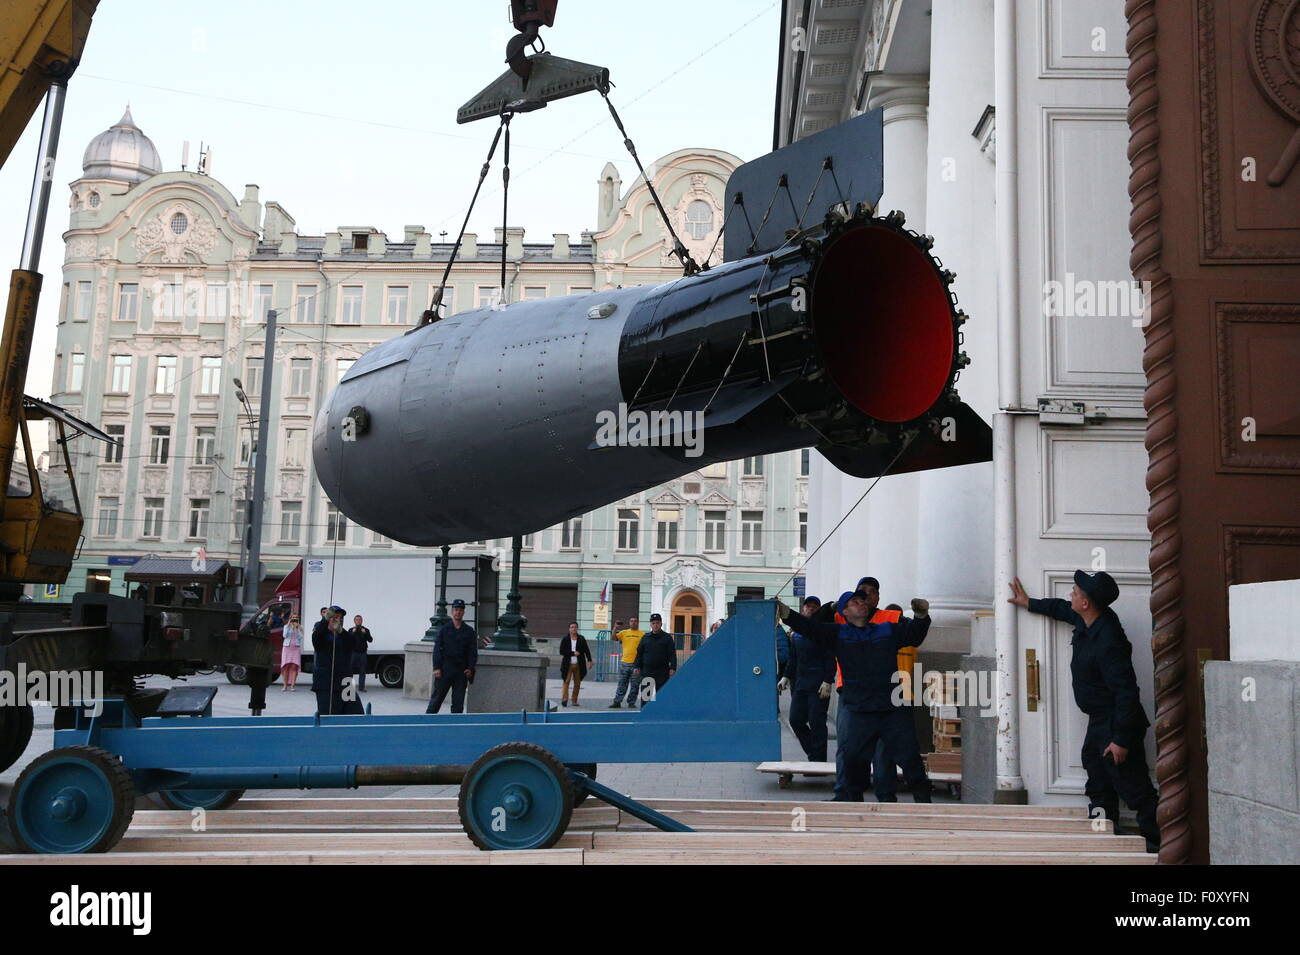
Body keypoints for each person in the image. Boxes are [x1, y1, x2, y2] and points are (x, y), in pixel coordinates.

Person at [1008, 570, 1160, 852]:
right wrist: (1028, 602)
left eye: (1076, 593)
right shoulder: (1089, 619)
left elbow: (1127, 693)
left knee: (1135, 789)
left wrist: (1121, 740)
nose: (1071, 595)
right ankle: (1104, 839)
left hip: (1117, 722)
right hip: (1100, 721)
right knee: (1099, 783)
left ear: (1087, 603)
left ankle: (1161, 848)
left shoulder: (1109, 641)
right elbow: (1062, 609)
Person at [779, 589, 933, 803]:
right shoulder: (837, 633)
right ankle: (854, 808)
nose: (861, 603)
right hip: (859, 711)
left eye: (862, 600)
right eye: (854, 602)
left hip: (892, 710)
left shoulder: (886, 630)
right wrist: (787, 614)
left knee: (910, 760)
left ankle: (925, 808)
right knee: (853, 762)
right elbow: (810, 627)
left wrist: (921, 616)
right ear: (844, 613)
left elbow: (914, 636)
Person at [779, 596, 836, 761]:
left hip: (819, 685)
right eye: (807, 606)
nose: (810, 608)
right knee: (796, 720)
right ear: (802, 609)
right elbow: (793, 658)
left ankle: (818, 761)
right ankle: (814, 754)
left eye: (814, 606)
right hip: (801, 684)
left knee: (817, 722)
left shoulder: (824, 630)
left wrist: (828, 680)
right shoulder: (796, 633)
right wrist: (786, 676)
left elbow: (830, 657)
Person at [426, 598, 477, 714]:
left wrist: (470, 668)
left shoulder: (469, 631)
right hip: (445, 670)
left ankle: (456, 727)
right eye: (456, 609)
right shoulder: (444, 630)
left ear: (463, 612)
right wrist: (437, 668)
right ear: (452, 611)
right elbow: (437, 649)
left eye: (460, 610)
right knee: (436, 700)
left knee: (458, 704)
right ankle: (427, 724)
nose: (458, 612)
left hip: (461, 672)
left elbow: (472, 652)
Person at [312, 606, 360, 715]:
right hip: (326, 684)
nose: (340, 619)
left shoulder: (345, 636)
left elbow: (353, 643)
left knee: (356, 714)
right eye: (336, 617)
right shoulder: (321, 636)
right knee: (329, 718)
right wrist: (324, 620)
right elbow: (316, 637)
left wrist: (340, 631)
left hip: (346, 683)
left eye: (341, 617)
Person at [632, 612, 677, 702]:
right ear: (650, 624)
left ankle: (661, 715)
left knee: (662, 697)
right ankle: (645, 715)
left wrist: (673, 668)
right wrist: (636, 666)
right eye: (653, 623)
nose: (655, 625)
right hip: (648, 671)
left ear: (661, 624)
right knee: (646, 697)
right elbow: (639, 653)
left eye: (657, 623)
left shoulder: (667, 638)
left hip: (662, 672)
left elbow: (672, 654)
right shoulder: (645, 637)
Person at [608, 616, 644, 709]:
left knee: (635, 685)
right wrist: (615, 628)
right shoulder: (624, 633)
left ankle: (631, 702)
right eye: (631, 621)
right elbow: (613, 638)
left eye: (635, 621)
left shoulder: (642, 635)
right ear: (629, 622)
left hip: (636, 664)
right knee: (622, 683)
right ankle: (617, 702)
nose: (633, 623)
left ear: (638, 622)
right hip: (625, 663)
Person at [559, 622, 593, 707]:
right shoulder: (565, 639)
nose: (573, 629)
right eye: (571, 627)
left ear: (577, 629)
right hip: (568, 664)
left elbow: (586, 650)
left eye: (575, 627)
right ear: (569, 629)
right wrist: (573, 653)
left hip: (579, 664)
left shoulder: (581, 638)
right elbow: (561, 651)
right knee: (566, 681)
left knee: (577, 683)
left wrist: (589, 660)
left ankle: (574, 700)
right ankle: (564, 699)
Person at [280, 612, 304, 692]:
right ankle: (285, 685)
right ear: (290, 618)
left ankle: (293, 686)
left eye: (296, 618)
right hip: (287, 648)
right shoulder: (286, 626)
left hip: (296, 648)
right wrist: (289, 624)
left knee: (294, 666)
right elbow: (284, 635)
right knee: (286, 666)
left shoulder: (300, 627)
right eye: (293, 618)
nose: (294, 619)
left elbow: (300, 638)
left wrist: (297, 628)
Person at [349, 614, 373, 692]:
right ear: (354, 621)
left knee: (362, 671)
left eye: (359, 620)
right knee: (350, 671)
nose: (358, 621)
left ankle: (361, 687)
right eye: (357, 620)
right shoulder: (351, 630)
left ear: (362, 621)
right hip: (353, 653)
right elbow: (347, 641)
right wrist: (352, 633)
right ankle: (350, 688)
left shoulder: (365, 630)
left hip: (362, 653)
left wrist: (365, 633)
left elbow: (370, 640)